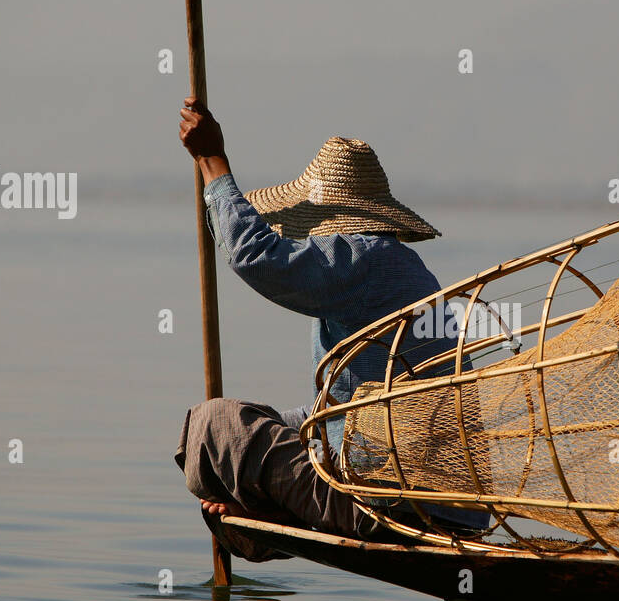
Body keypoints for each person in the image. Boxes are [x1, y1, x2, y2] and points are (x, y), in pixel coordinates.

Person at [173, 97, 487, 562]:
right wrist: (271, 434)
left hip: (391, 508)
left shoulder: (362, 257)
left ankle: (268, 514)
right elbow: (337, 412)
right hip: (448, 509)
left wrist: (212, 160)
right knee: (258, 425)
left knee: (213, 425)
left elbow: (254, 257)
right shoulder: (404, 269)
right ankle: (266, 510)